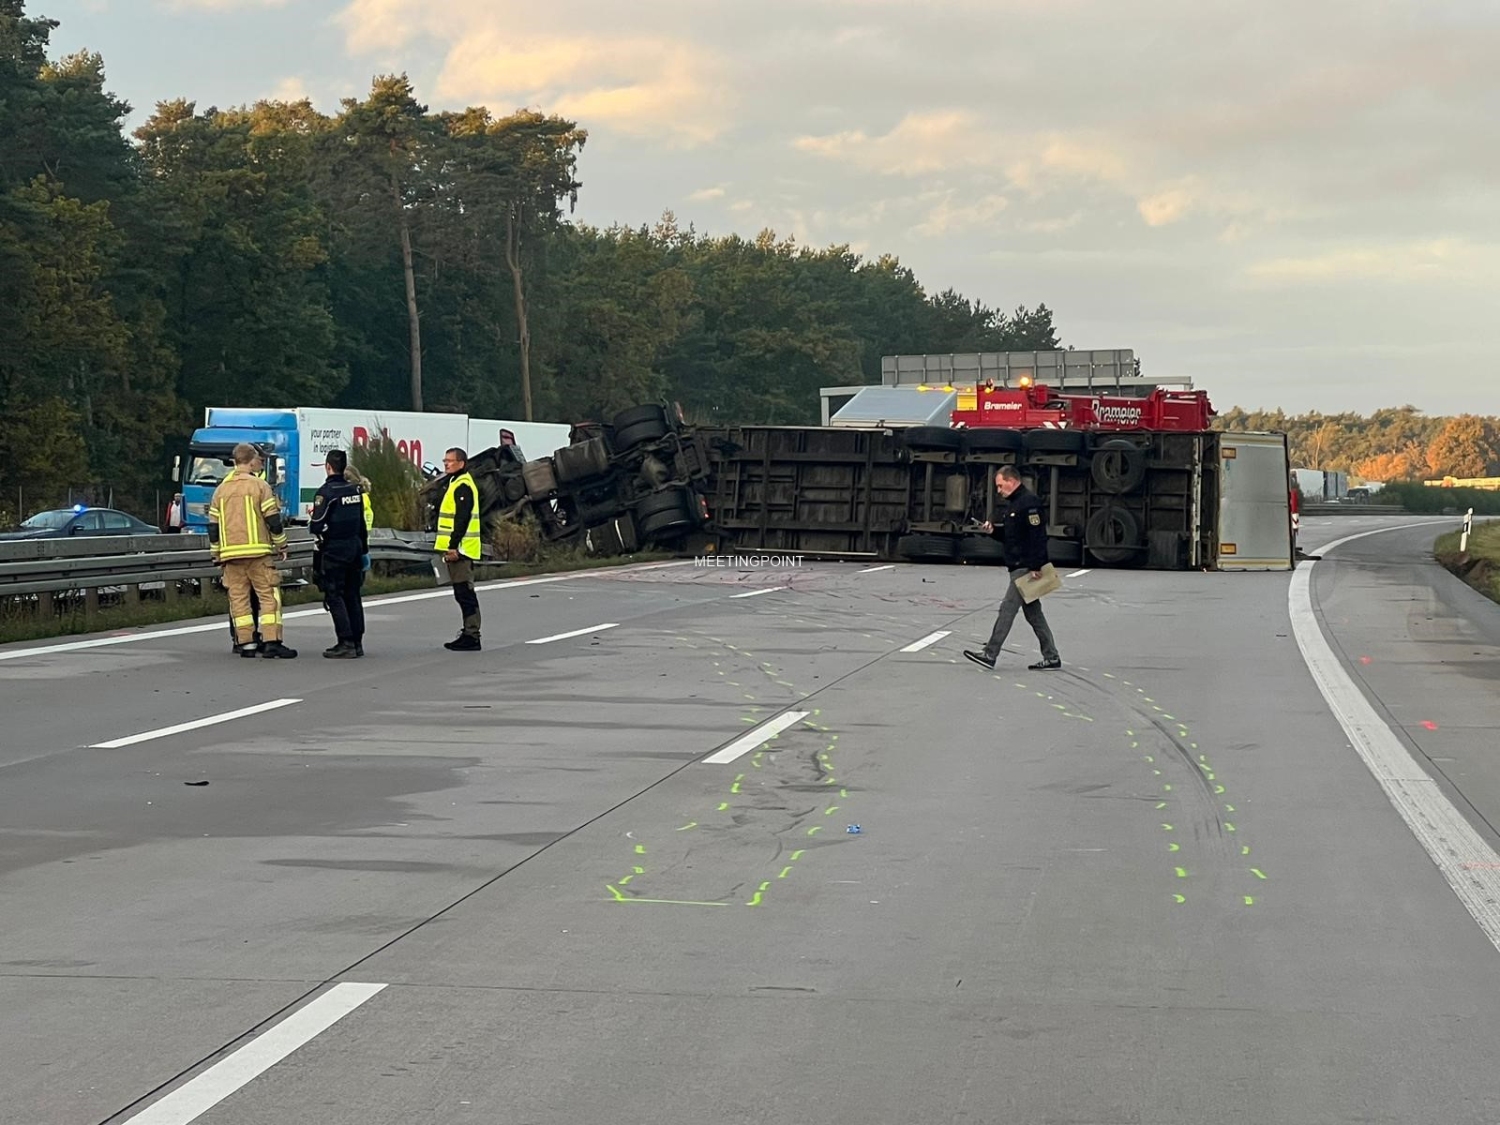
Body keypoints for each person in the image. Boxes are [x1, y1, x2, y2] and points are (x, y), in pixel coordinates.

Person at [963, 465, 1061, 671]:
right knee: (1034, 614)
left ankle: (990, 653)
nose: (998, 490)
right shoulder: (1014, 504)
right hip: (1018, 564)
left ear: (1011, 480)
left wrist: (1036, 565)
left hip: (1024, 566)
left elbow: (1038, 536)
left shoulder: (1029, 503)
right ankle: (1051, 656)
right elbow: (1011, 537)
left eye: (1000, 485)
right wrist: (992, 531)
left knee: (1007, 609)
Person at [208, 443, 297, 658]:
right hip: (258, 553)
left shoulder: (220, 490)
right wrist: (281, 544)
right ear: (250, 460)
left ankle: (246, 643)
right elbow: (272, 519)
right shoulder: (259, 486)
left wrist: (216, 554)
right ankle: (271, 641)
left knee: (239, 600)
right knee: (268, 596)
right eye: (257, 459)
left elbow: (213, 527)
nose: (259, 462)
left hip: (231, 556)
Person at [309, 449, 369, 658]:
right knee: (353, 594)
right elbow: (361, 524)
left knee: (334, 594)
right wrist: (364, 550)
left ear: (328, 467)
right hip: (355, 547)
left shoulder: (327, 492)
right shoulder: (354, 491)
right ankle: (358, 641)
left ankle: (346, 641)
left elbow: (316, 525)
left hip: (335, 550)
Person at [436, 446, 482, 651]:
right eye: (445, 460)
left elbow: (461, 519)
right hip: (459, 549)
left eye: (450, 461)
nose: (446, 463)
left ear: (461, 463)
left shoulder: (462, 485)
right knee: (461, 592)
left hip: (462, 550)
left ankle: (472, 635)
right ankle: (469, 632)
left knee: (465, 592)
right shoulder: (456, 482)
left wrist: (453, 546)